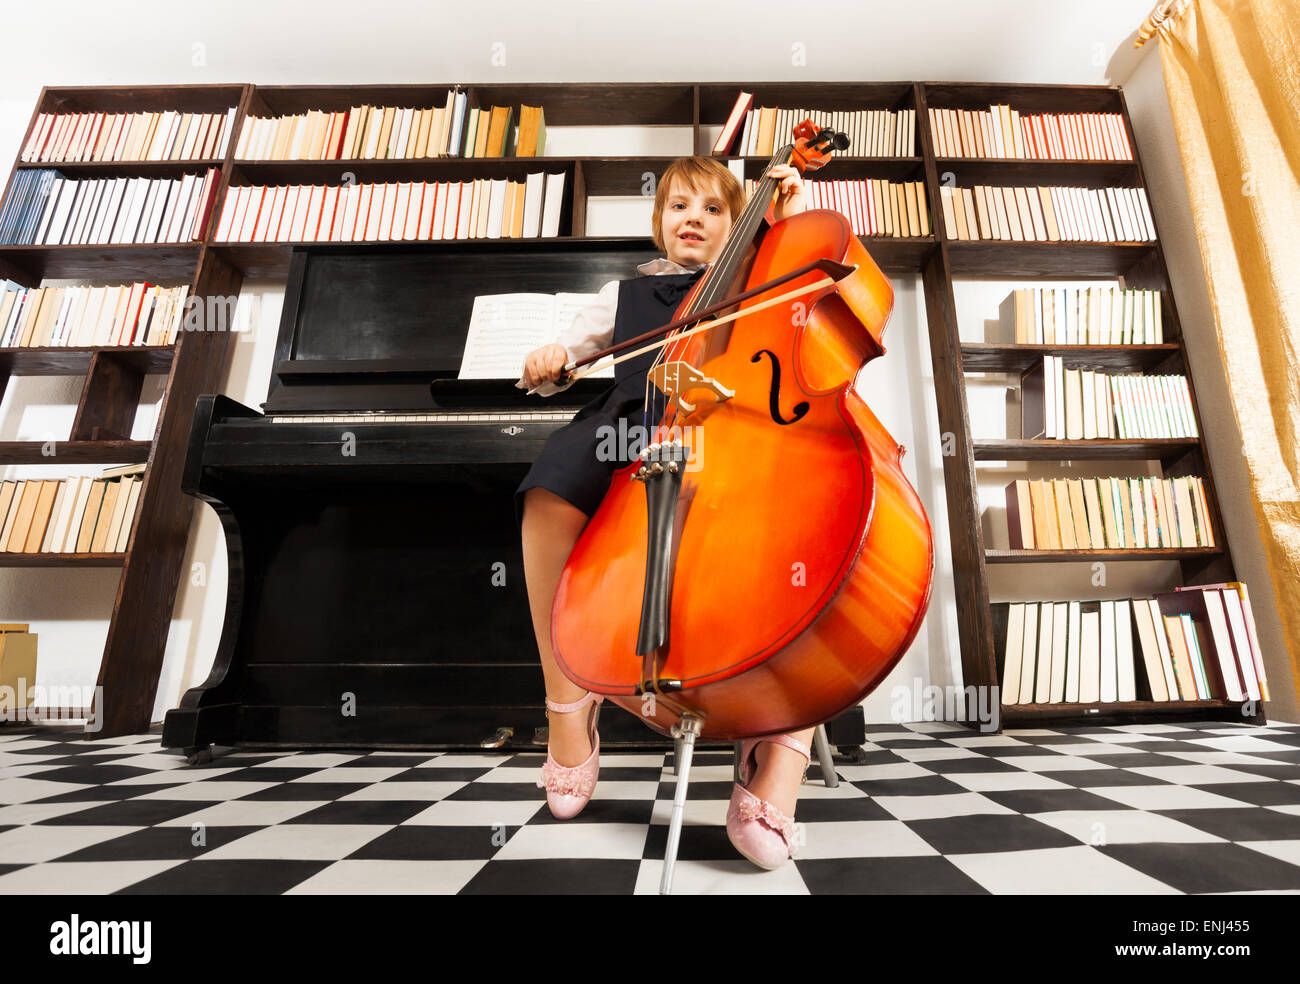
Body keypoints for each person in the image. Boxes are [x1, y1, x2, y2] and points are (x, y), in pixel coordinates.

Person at [515, 155, 815, 870]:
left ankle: (778, 745)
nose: (694, 220)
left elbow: (810, 284)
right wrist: (551, 355)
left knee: (808, 515)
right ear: (658, 222)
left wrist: (790, 212)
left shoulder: (757, 281)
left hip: (732, 421)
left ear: (740, 224)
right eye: (680, 206)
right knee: (550, 485)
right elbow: (569, 359)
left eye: (715, 210)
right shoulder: (625, 295)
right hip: (631, 422)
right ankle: (567, 706)